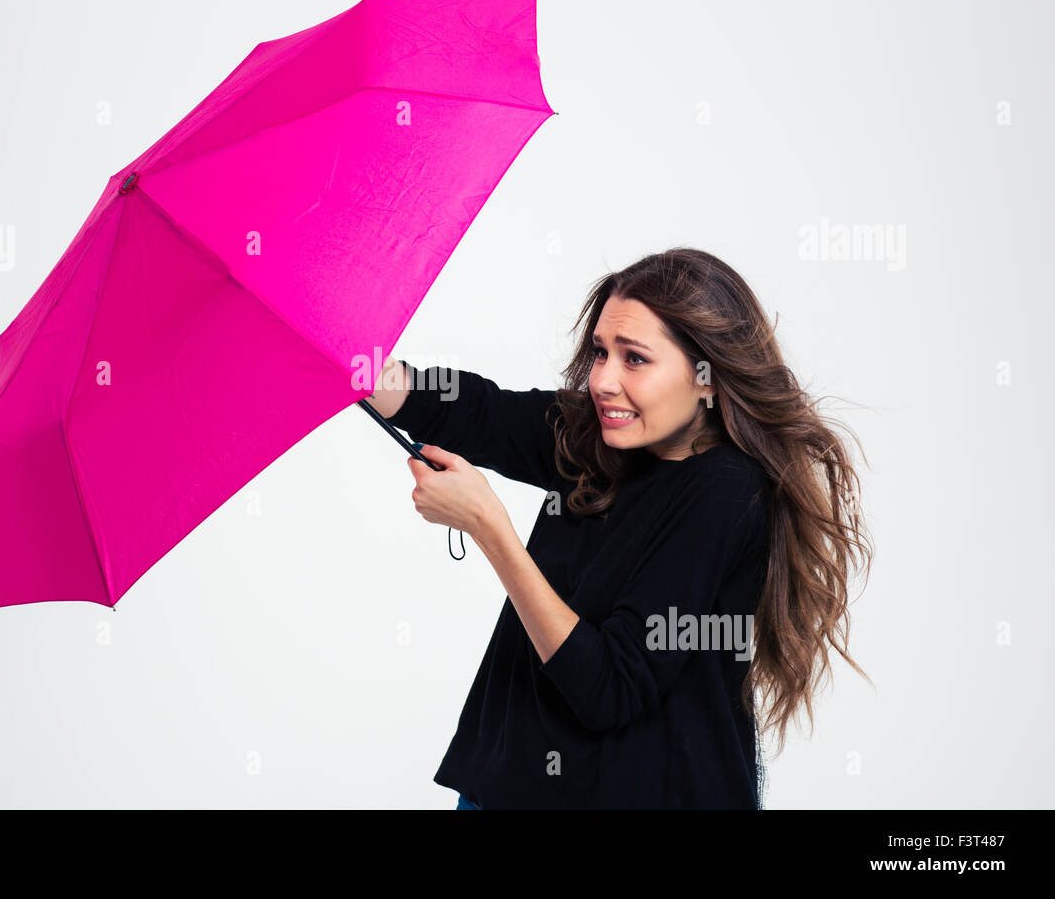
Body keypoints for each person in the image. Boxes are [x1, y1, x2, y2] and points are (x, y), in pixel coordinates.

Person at [366, 248, 874, 809]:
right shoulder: (595, 437)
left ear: (707, 378)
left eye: (634, 359)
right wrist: (359, 367)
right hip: (507, 788)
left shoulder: (727, 492)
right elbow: (476, 412)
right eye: (601, 352)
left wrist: (490, 528)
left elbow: (609, 685)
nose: (603, 380)